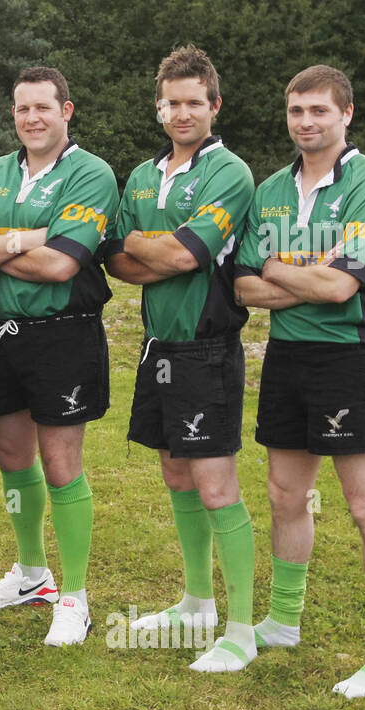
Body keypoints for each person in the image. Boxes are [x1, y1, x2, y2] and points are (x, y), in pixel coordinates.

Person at [234, 65, 365, 697]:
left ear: (346, 115)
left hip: (348, 358)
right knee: (285, 496)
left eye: (319, 112)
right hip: (287, 358)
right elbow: (243, 285)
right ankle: (283, 622)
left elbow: (341, 289)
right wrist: (299, 271)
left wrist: (280, 269)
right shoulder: (272, 188)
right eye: (296, 111)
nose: (306, 122)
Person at [104, 46, 259, 672]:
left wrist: (151, 248)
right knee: (175, 474)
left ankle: (243, 629)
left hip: (206, 346)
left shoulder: (231, 173)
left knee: (216, 485)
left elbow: (186, 257)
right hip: (156, 346)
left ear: (214, 105)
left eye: (195, 102)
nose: (183, 112)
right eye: (173, 102)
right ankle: (197, 602)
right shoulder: (142, 175)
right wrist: (149, 248)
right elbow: (114, 259)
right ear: (159, 107)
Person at [0, 67, 118, 647]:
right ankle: (31, 575)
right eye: (22, 109)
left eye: (43, 108)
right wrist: (29, 236)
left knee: (60, 461)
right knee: (11, 454)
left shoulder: (91, 173)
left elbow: (61, 265)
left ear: (66, 110)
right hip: (6, 330)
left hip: (66, 330)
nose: (31, 118)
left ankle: (74, 596)